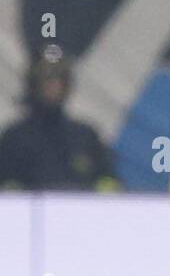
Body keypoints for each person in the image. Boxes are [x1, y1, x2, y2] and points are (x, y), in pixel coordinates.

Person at [0, 49, 118, 192]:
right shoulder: (14, 138)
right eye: (48, 80)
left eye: (60, 80)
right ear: (34, 85)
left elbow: (109, 182)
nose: (54, 87)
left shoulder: (85, 136)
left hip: (80, 212)